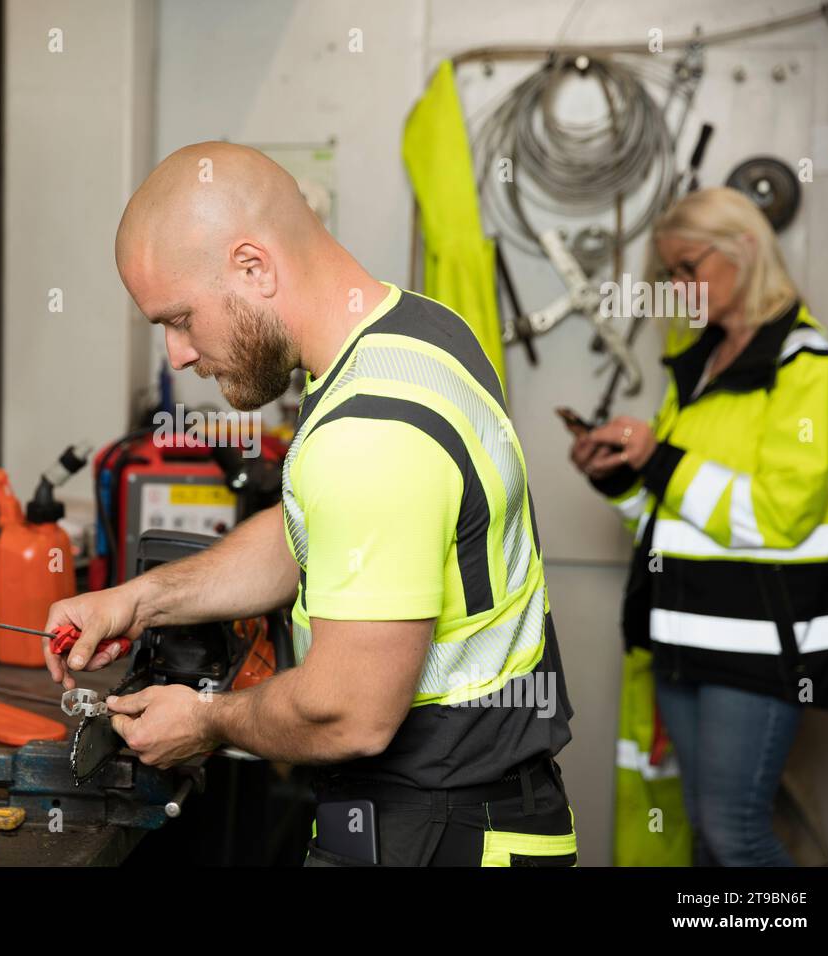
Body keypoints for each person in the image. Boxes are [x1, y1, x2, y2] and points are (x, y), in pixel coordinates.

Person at [43, 142, 575, 867]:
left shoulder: (371, 430)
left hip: (442, 831)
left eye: (180, 319)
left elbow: (348, 712)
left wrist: (205, 721)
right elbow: (315, 533)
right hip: (448, 809)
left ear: (254, 267)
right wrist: (138, 602)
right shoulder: (412, 331)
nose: (176, 355)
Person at [571, 186, 828, 866]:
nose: (677, 288)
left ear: (746, 252)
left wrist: (661, 458)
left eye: (687, 268)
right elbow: (672, 519)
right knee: (704, 826)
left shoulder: (807, 369)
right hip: (684, 634)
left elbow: (778, 518)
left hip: (758, 644)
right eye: (667, 274)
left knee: (736, 834)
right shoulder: (699, 367)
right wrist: (616, 474)